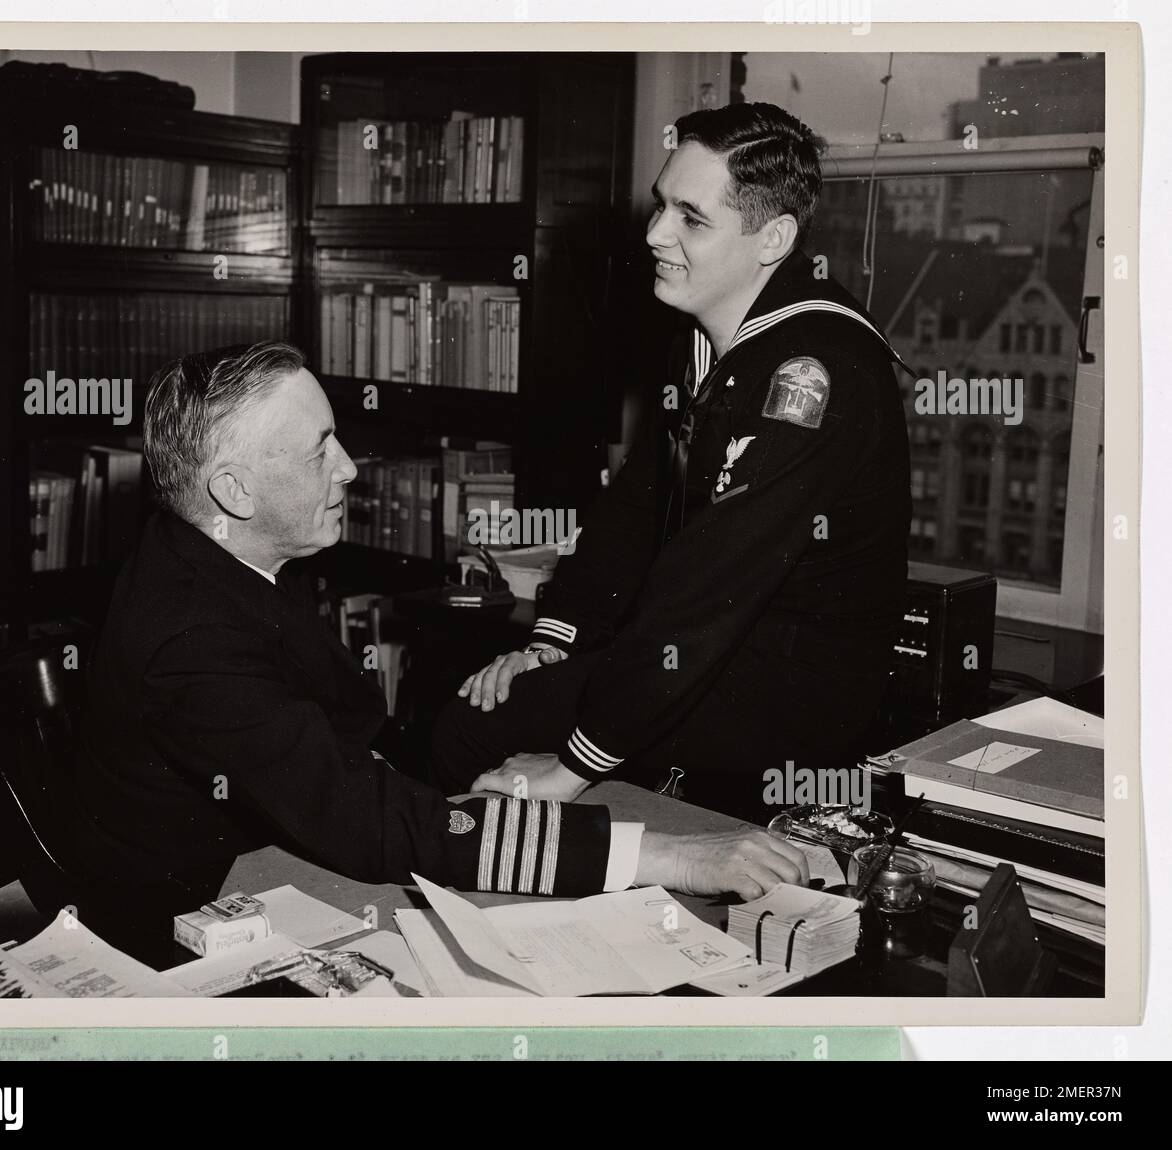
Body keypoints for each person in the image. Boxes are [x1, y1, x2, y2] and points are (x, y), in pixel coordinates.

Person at [62, 341, 809, 958]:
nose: (350, 468)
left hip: (266, 847)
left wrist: (459, 805)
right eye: (320, 451)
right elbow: (368, 824)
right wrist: (671, 857)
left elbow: (357, 739)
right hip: (186, 917)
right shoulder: (191, 640)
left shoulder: (218, 552)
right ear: (234, 490)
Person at [433, 101, 912, 820]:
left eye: (691, 217)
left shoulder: (813, 373)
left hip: (788, 691)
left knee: (472, 733)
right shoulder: (706, 332)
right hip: (715, 650)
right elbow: (635, 510)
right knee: (484, 699)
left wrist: (575, 765)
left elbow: (708, 584)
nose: (655, 233)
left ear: (772, 238)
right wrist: (550, 645)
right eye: (661, 205)